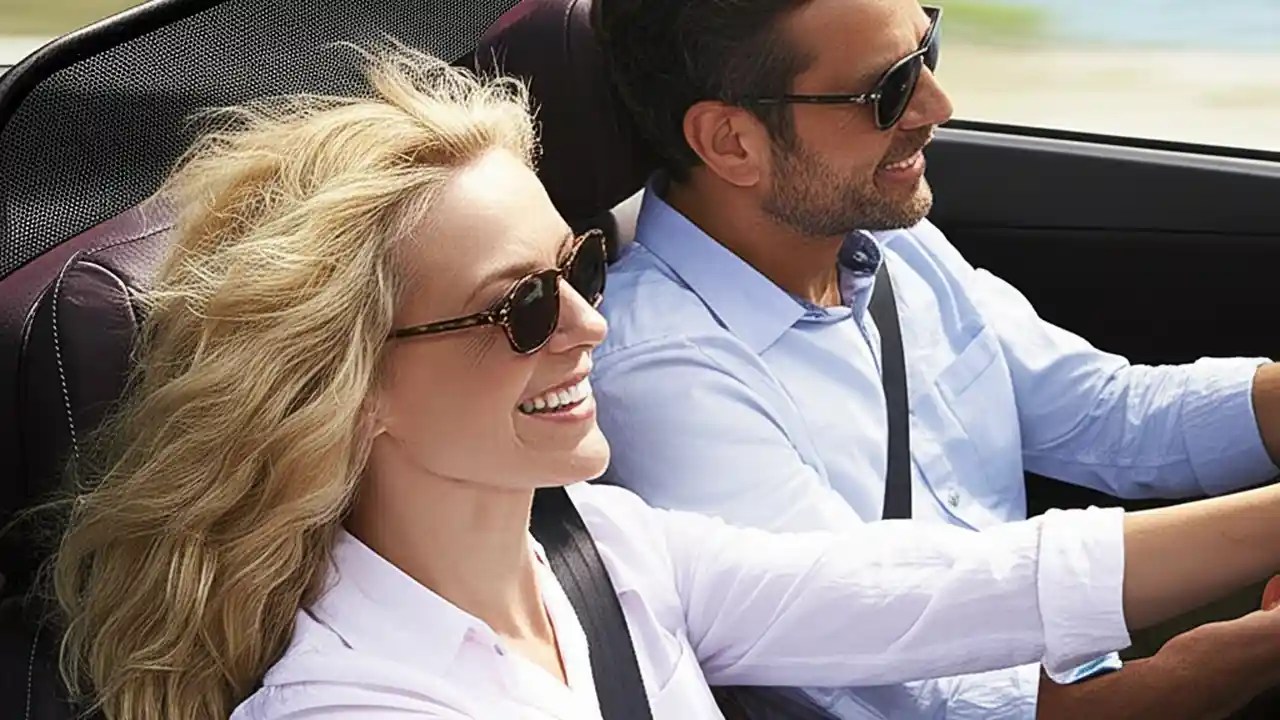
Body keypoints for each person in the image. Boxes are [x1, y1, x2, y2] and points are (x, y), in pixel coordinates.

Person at [46, 47, 1280, 720]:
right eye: (522, 303)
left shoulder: (597, 555)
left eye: (574, 264)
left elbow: (949, 588)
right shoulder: (366, 703)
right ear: (346, 383)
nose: (588, 323)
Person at [587, 0, 1280, 718]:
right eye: (886, 91)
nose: (938, 105)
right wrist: (1241, 649)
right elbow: (912, 671)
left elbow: (1101, 412)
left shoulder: (879, 240)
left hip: (1064, 661)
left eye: (929, 49)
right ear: (732, 142)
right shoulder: (663, 376)